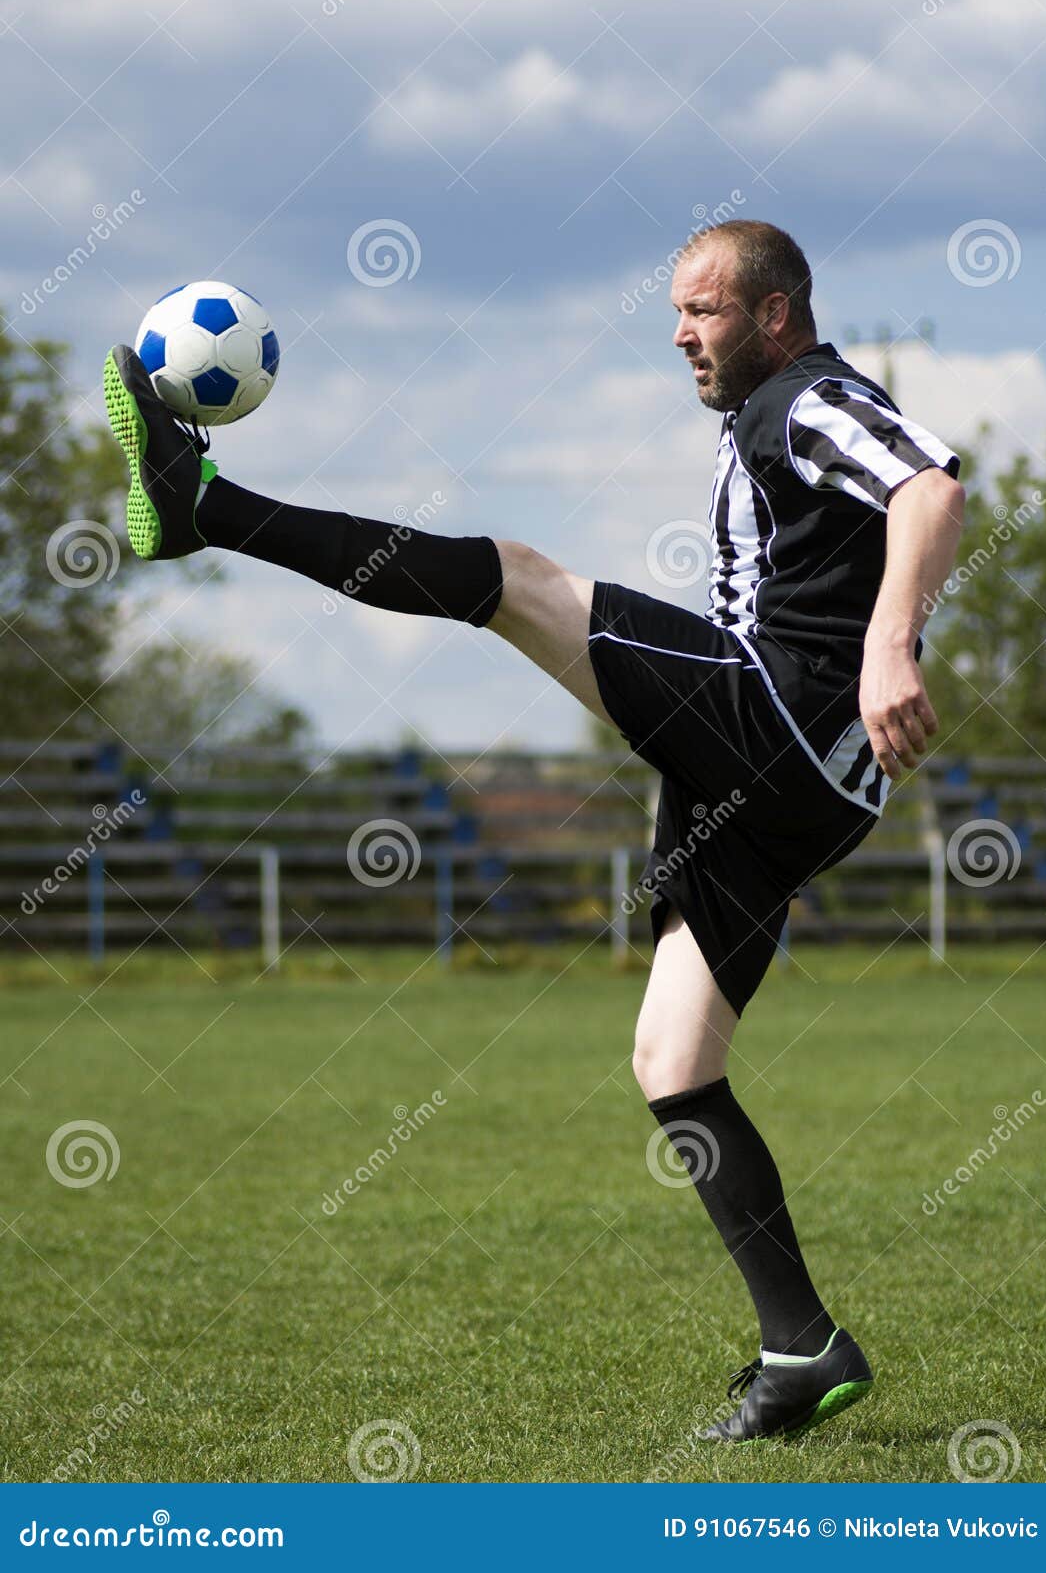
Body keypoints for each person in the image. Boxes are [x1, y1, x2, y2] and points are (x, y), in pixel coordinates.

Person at [102, 218, 964, 1442]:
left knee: (510, 579)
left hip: (782, 721)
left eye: (703, 311)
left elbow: (930, 487)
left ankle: (205, 507)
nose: (679, 334)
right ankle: (802, 1349)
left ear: (774, 314)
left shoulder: (808, 397)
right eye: (674, 311)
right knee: (674, 1062)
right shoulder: (752, 429)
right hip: (786, 785)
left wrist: (886, 648)